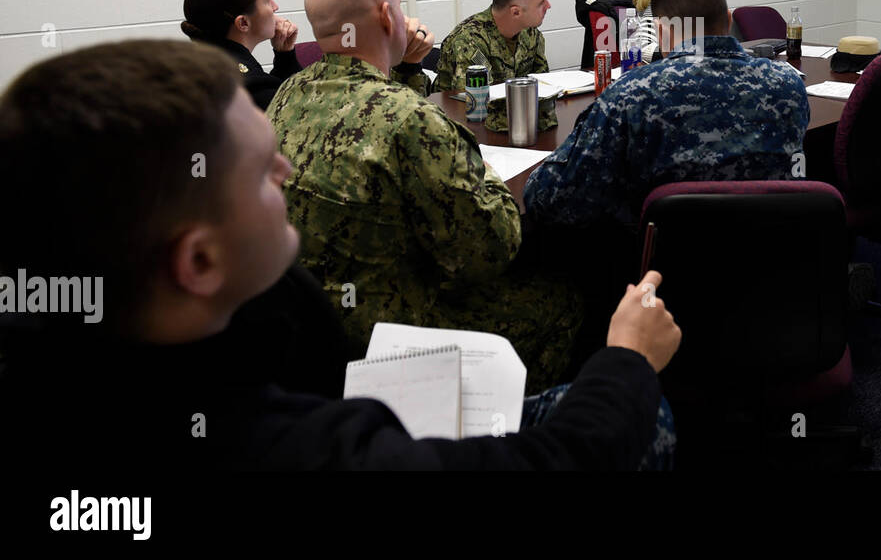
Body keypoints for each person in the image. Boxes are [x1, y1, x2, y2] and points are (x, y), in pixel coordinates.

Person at [0, 40, 681, 470]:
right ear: (199, 264)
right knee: (648, 419)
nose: (289, 172)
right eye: (262, 170)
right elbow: (561, 459)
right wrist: (626, 359)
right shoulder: (302, 449)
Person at [267, 0, 581, 392]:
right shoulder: (411, 120)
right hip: (395, 327)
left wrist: (407, 66)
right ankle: (515, 420)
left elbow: (374, 111)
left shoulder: (288, 93)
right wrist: (484, 171)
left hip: (307, 320)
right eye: (399, 6)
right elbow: (491, 249)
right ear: (386, 16)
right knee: (563, 298)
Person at [524, 0, 809, 231]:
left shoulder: (632, 94)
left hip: (662, 261)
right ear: (729, 18)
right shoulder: (788, 85)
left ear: (660, 30)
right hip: (771, 256)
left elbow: (549, 200)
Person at [433, 0, 557, 132]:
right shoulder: (469, 41)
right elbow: (476, 106)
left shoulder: (531, 33)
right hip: (457, 131)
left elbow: (542, 87)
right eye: (542, 2)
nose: (548, 6)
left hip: (516, 126)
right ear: (515, 12)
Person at [181, 0, 303, 111]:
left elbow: (278, 94)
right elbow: (299, 112)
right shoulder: (250, 86)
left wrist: (285, 56)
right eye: (267, 0)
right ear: (243, 23)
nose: (275, 6)